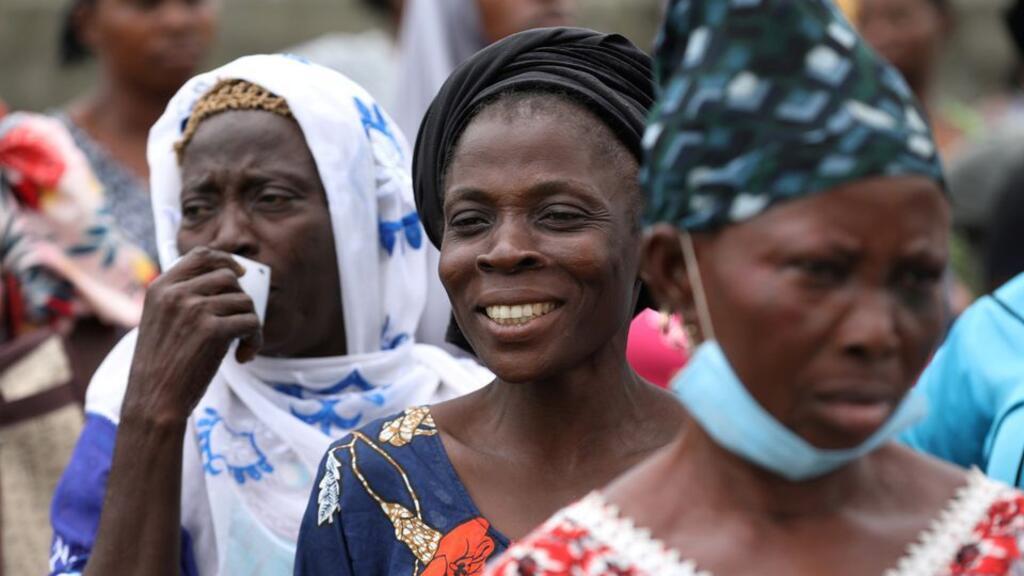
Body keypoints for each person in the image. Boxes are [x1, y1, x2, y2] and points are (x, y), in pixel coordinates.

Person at [488, 1, 1024, 574]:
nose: (876, 332)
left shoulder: (999, 542)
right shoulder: (564, 566)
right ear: (674, 273)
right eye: (820, 273)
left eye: (915, 278)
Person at [48, 55, 489, 575]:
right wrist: (155, 413)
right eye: (197, 208)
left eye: (271, 198)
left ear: (360, 224)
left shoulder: (466, 406)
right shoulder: (138, 390)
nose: (228, 235)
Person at [294, 28, 686, 575]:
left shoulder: (741, 472)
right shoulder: (371, 476)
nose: (504, 251)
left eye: (559, 215)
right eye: (471, 222)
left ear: (651, 244)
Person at [57, 0, 217, 262]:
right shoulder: (40, 159)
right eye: (146, 5)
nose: (178, 22)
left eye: (193, 2)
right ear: (87, 24)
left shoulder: (251, 142)